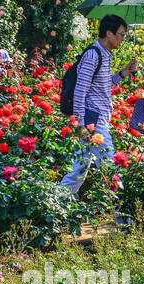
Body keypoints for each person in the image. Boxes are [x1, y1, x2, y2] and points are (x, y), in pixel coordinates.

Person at [59, 14, 139, 194]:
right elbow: (80, 91)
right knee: (113, 172)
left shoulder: (104, 54)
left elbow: (101, 85)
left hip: (95, 120)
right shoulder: (93, 55)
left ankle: (57, 208)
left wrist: (123, 73)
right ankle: (124, 220)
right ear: (109, 33)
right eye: (121, 34)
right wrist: (80, 125)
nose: (123, 39)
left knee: (78, 172)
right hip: (93, 122)